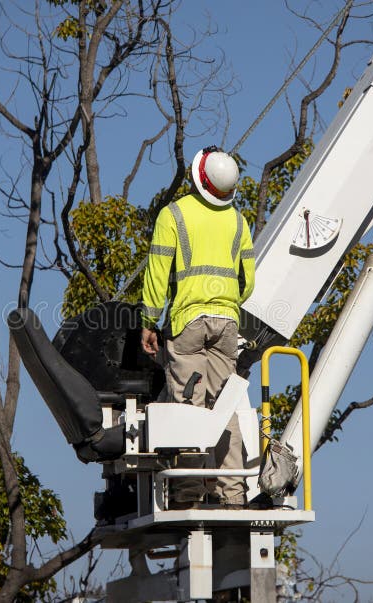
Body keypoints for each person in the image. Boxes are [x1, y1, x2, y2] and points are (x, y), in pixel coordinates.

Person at [140, 146, 255, 509]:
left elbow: (158, 274)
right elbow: (248, 282)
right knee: (225, 409)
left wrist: (149, 321)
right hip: (227, 324)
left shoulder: (173, 215)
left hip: (188, 322)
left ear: (197, 178)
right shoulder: (238, 221)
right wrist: (227, 303)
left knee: (187, 407)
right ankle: (233, 494)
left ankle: (187, 493)